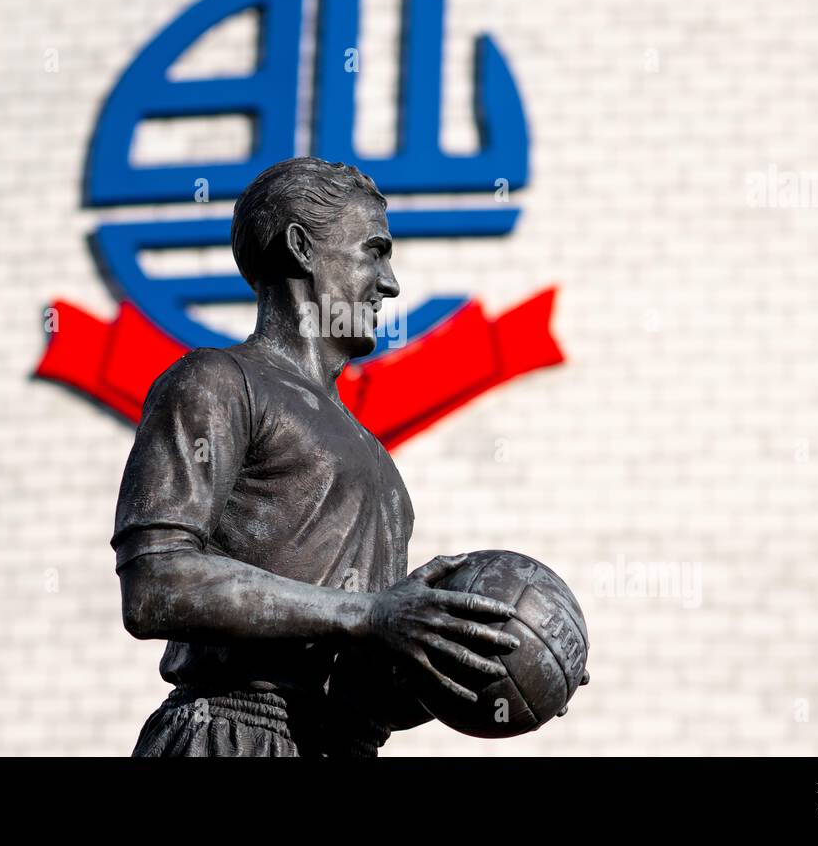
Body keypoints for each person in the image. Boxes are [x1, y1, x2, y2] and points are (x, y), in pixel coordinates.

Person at [113, 156, 520, 756]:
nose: (390, 283)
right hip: (233, 735)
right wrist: (367, 613)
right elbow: (154, 584)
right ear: (302, 249)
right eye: (373, 251)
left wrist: (489, 659)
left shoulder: (380, 467)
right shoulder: (218, 382)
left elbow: (362, 681)